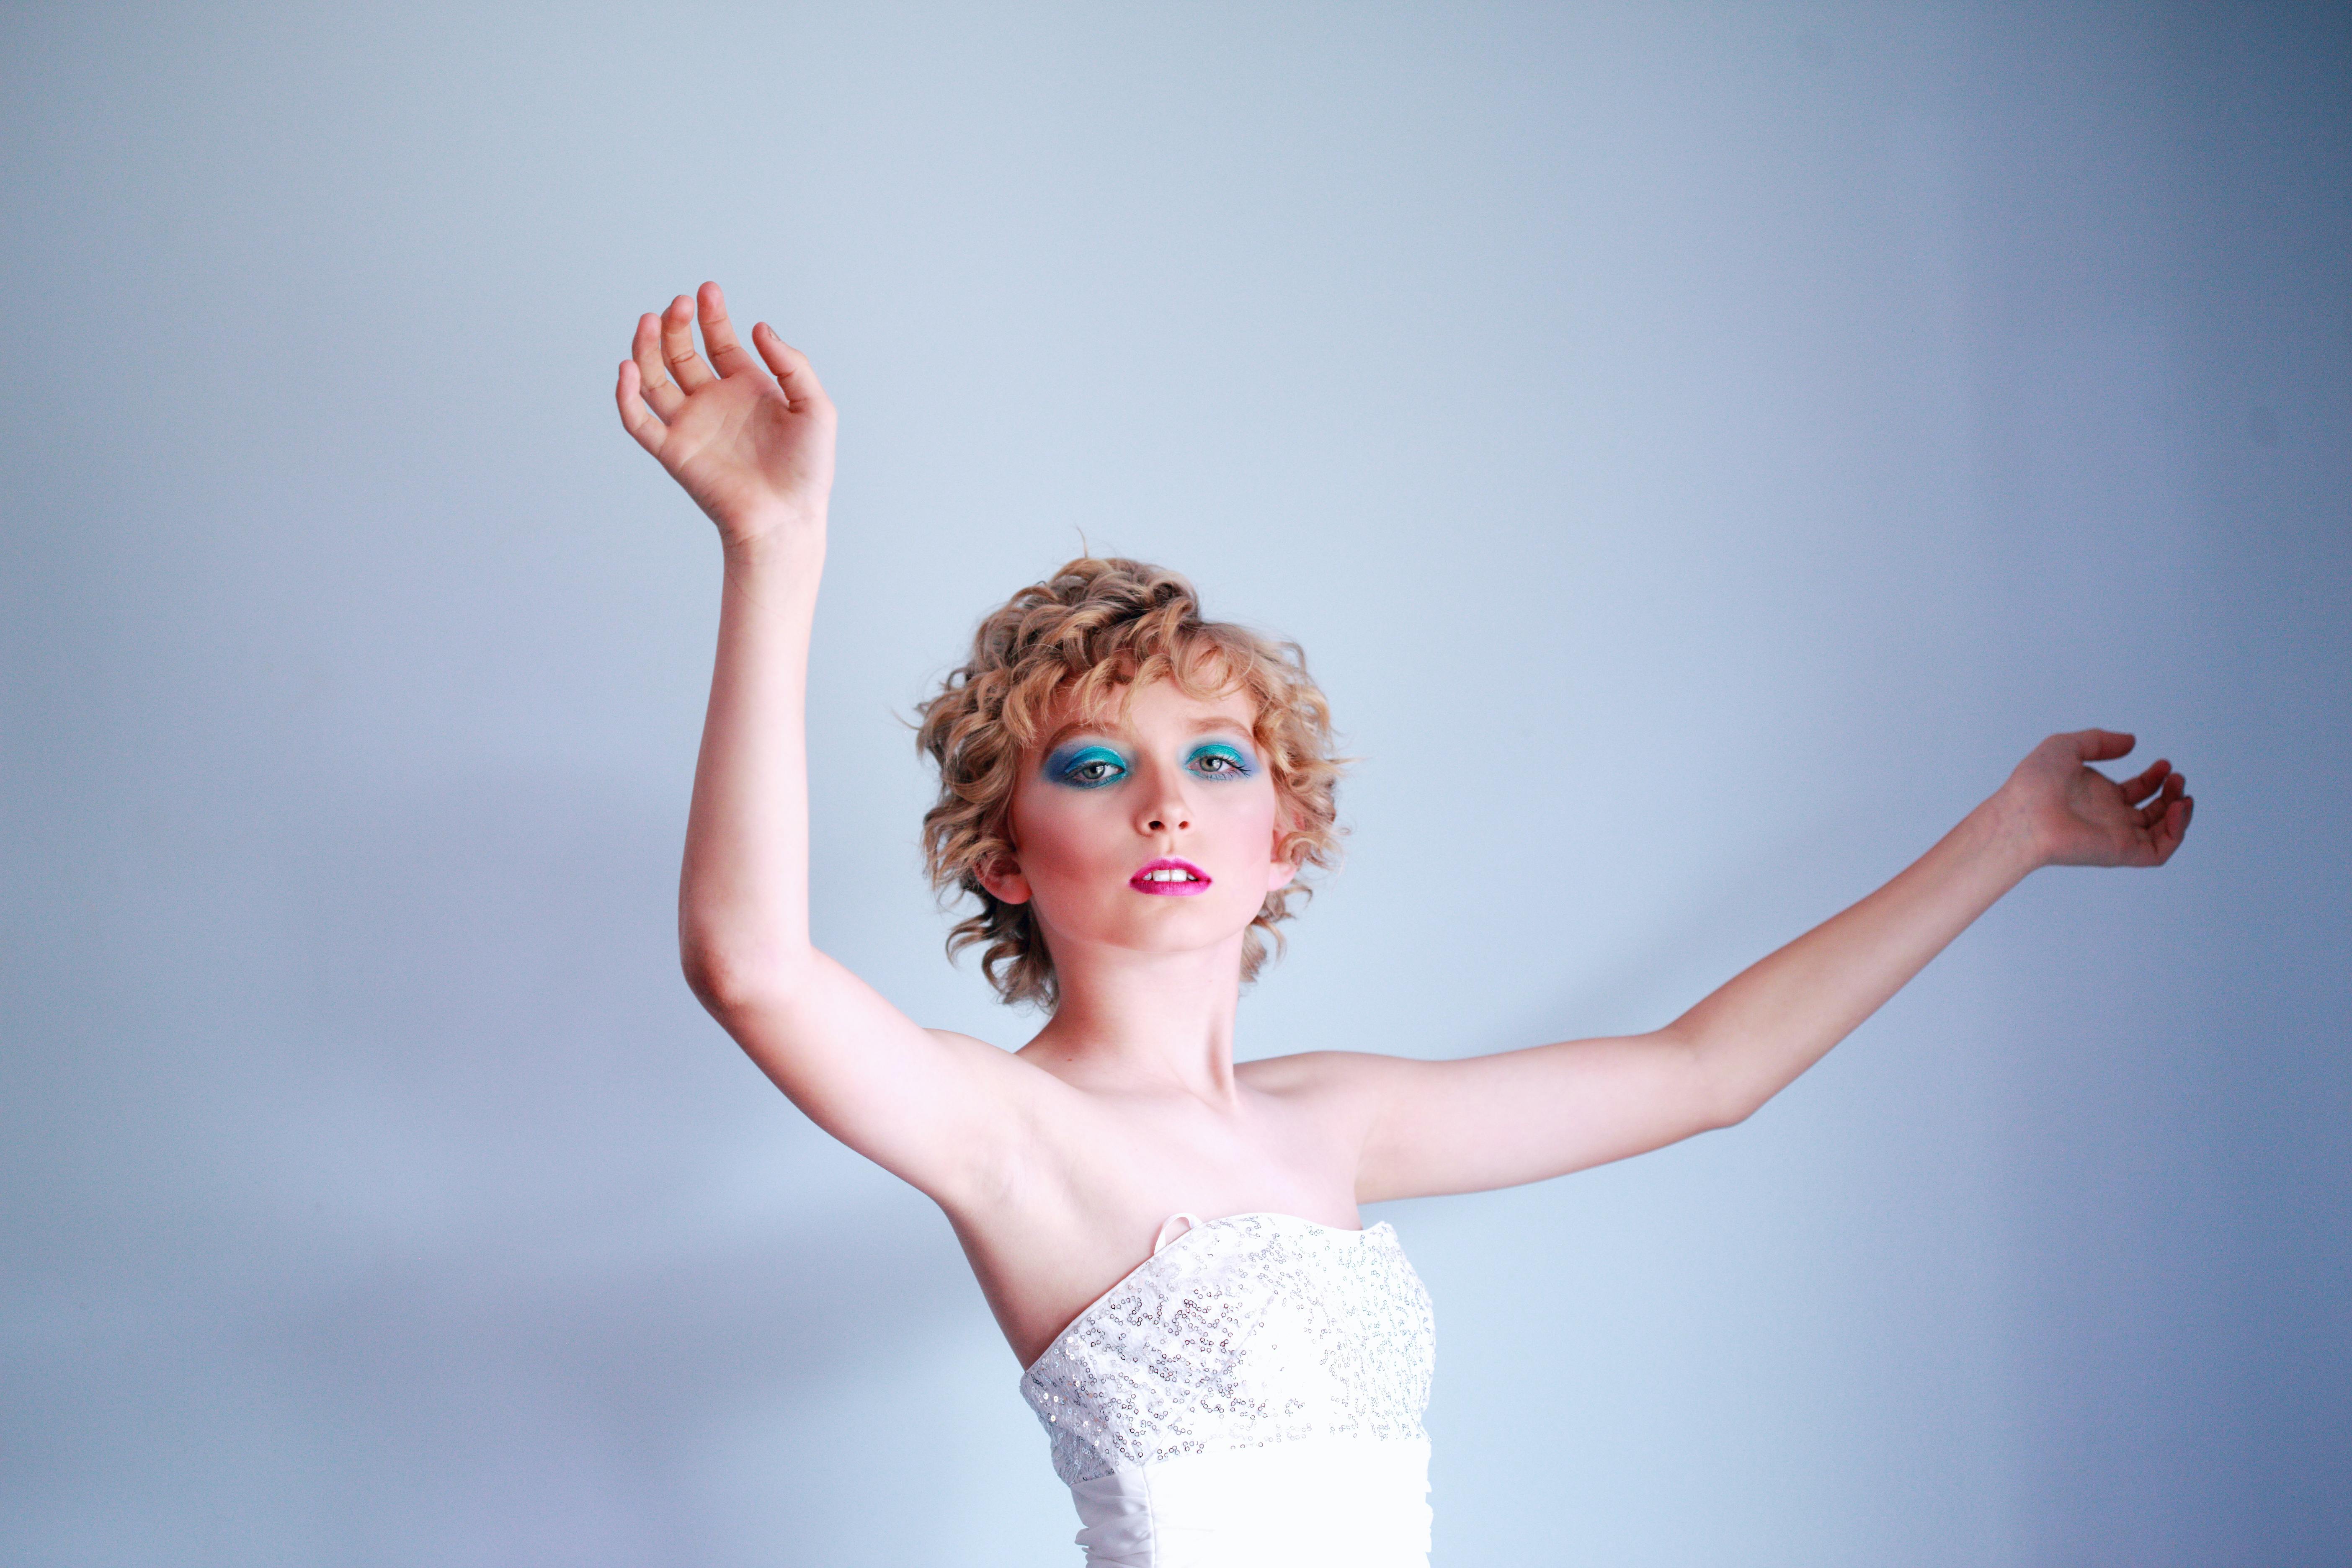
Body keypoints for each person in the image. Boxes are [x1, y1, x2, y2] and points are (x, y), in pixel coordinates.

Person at [613, 283, 2195, 1567]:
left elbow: (1709, 1070)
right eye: (1096, 770)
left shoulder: (1340, 1120)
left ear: (1280, 838)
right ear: (1007, 858)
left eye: (1213, 761)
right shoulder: (1012, 1133)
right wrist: (777, 547)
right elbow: (749, 966)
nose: (1165, 804)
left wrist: (2017, 833)